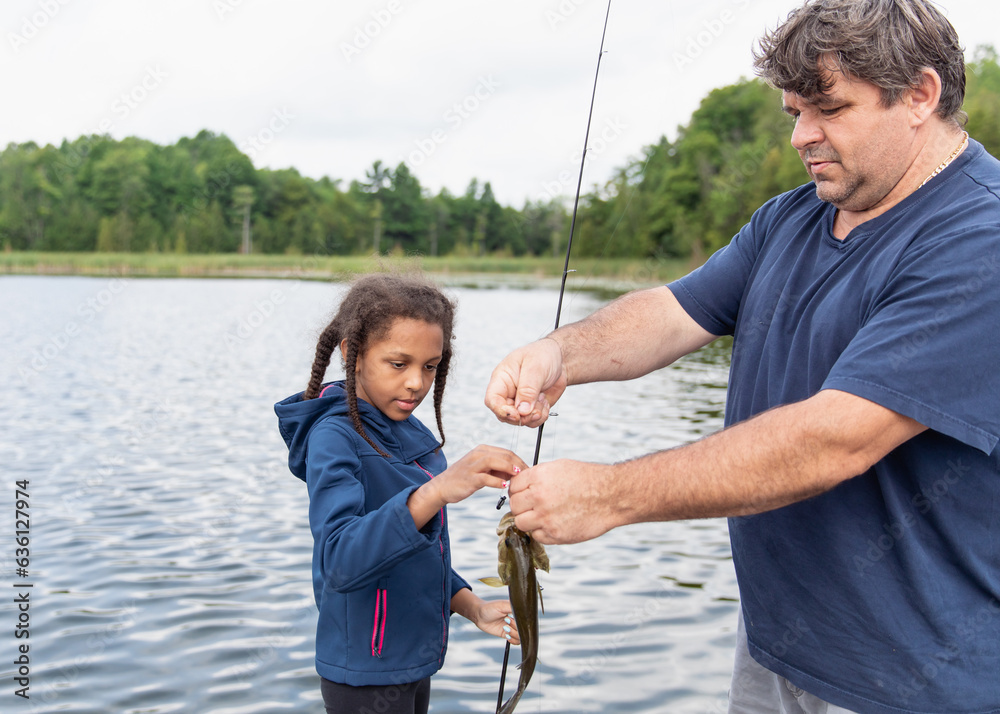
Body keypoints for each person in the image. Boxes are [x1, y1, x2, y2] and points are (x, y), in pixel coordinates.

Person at [484, 0, 1000, 712]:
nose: (802, 136)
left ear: (920, 95)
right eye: (794, 111)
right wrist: (558, 353)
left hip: (913, 676)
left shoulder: (980, 240)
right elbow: (669, 313)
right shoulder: (793, 217)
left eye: (830, 109)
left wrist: (610, 494)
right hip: (775, 646)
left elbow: (832, 440)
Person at [276, 273, 525, 714]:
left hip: (414, 665)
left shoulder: (408, 431)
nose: (416, 383)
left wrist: (471, 606)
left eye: (430, 366)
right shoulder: (333, 437)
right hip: (364, 678)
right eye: (399, 363)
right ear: (352, 353)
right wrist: (439, 491)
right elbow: (340, 559)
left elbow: (413, 557)